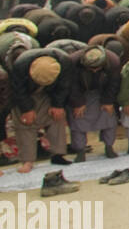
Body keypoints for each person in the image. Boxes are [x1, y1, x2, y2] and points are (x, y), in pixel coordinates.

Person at [10, 49, 75, 189]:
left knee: (56, 118)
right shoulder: (20, 65)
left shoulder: (65, 62)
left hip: (49, 94)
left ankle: (58, 155)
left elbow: (64, 86)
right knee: (25, 123)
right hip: (25, 94)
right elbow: (17, 89)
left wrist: (58, 105)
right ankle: (27, 160)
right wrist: (26, 109)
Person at [67, 45, 120, 162]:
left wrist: (108, 101)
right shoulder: (72, 61)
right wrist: (78, 102)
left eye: (97, 68)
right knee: (77, 120)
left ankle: (109, 147)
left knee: (109, 118)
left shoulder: (113, 61)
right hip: (81, 93)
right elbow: (71, 85)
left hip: (102, 93)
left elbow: (114, 83)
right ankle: (80, 150)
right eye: (91, 68)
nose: (94, 70)